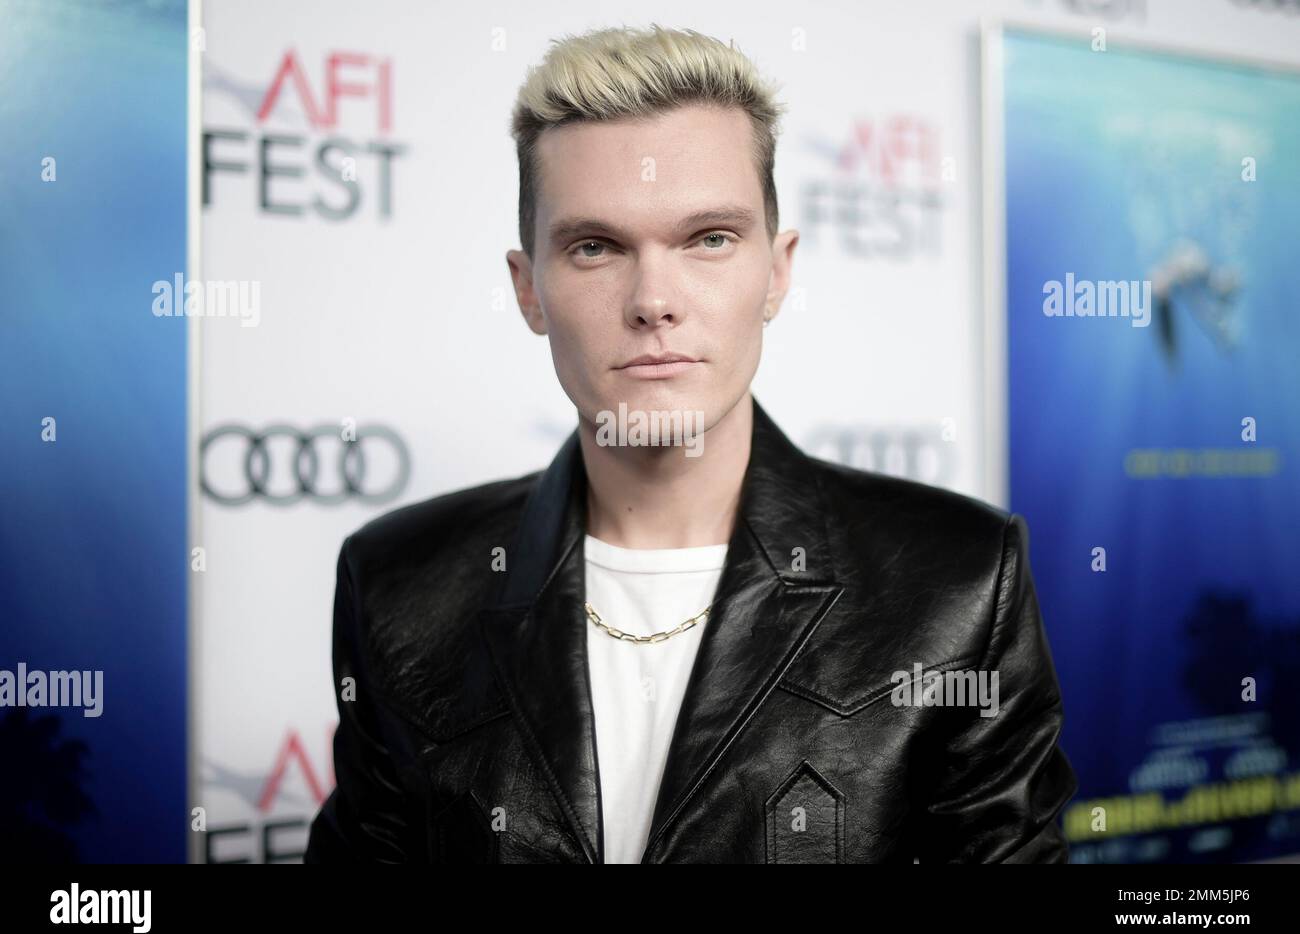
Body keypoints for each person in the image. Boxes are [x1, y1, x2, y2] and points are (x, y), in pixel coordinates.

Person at [304, 24, 1077, 864]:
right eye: (595, 247)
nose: (654, 300)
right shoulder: (399, 582)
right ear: (528, 290)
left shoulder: (961, 580)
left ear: (777, 270)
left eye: (709, 238)